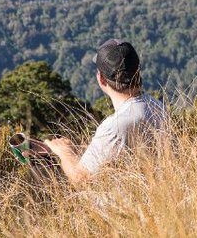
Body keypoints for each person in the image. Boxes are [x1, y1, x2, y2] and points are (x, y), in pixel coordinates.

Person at [38, 39, 167, 185]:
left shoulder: (116, 125)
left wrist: (64, 152)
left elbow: (79, 179)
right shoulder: (156, 105)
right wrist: (77, 149)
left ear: (101, 79)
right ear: (138, 72)